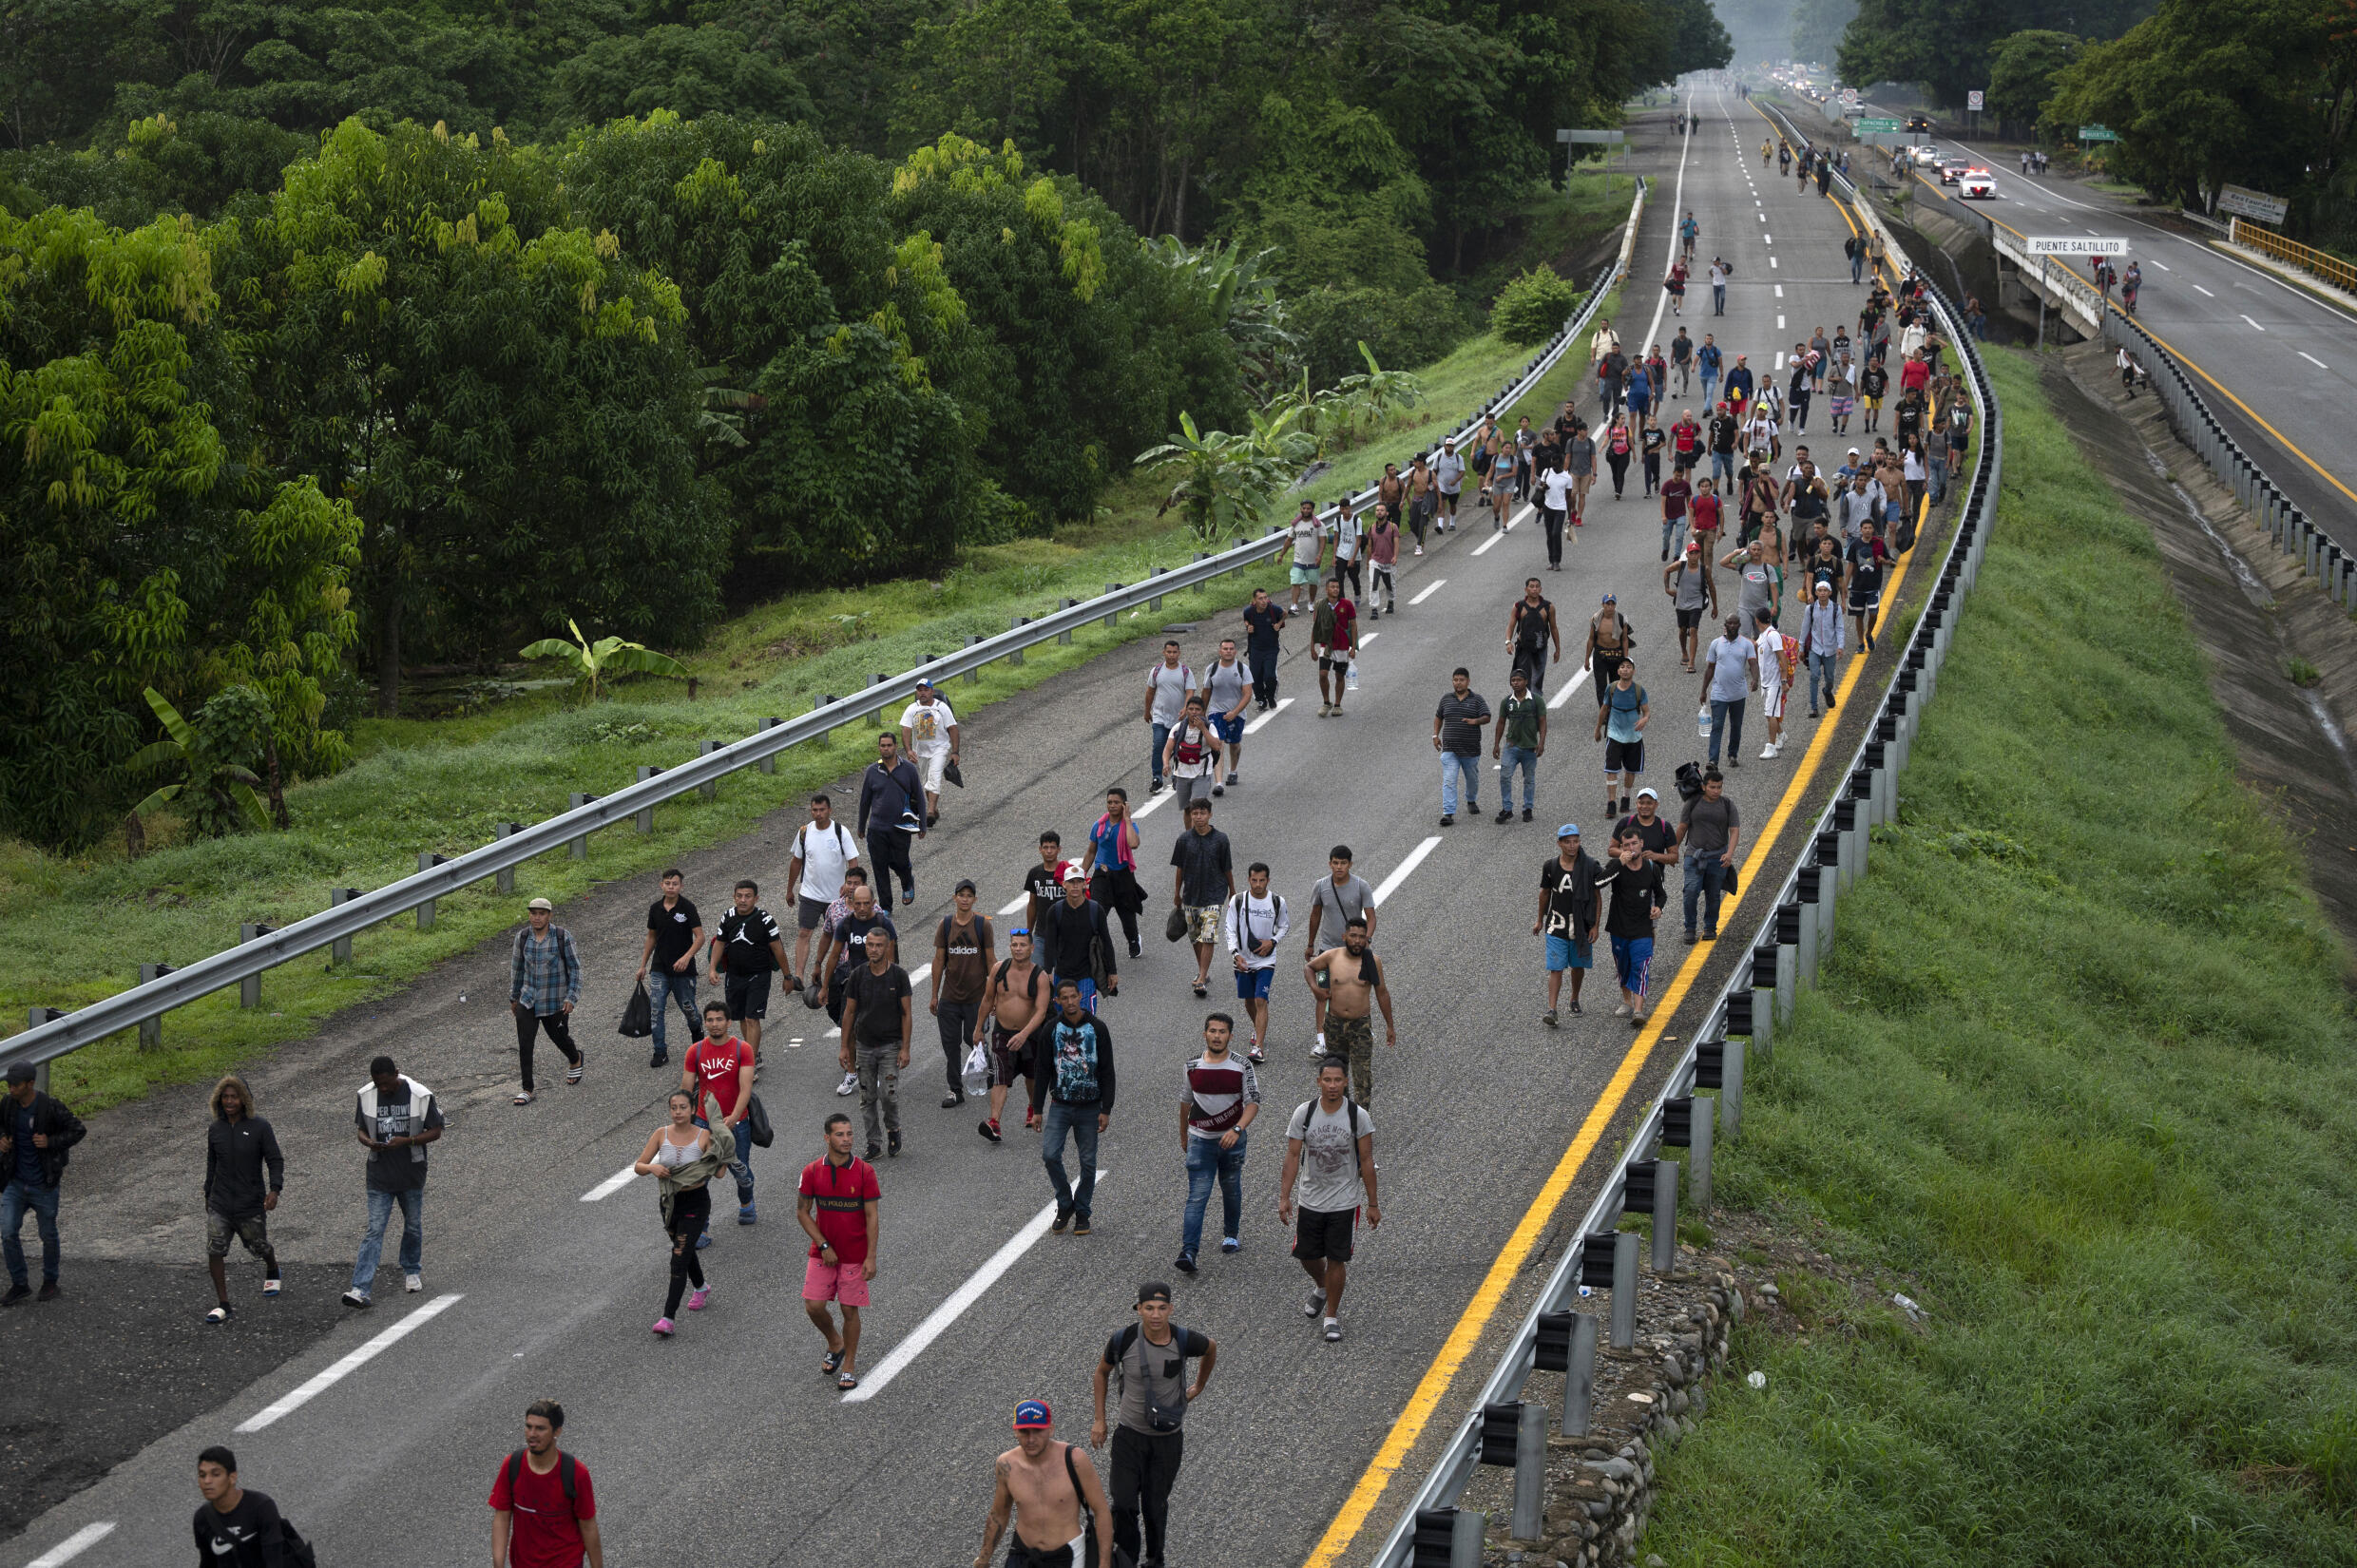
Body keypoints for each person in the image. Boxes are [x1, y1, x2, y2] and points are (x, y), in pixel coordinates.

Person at [1092, 1283, 1217, 1566]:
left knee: (1154, 1506)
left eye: (1162, 1308)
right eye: (1149, 1308)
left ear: (1171, 1309)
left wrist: (1199, 1386)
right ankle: (1126, 1559)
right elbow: (1101, 1374)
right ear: (1139, 1309)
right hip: (1129, 1437)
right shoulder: (1123, 1340)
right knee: (1123, 1504)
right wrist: (1100, 1419)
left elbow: (1211, 1348)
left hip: (1167, 1441)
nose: (1156, 1315)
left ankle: (1154, 1559)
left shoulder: (1184, 1339)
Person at [1279, 1060, 1379, 1344]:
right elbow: (1291, 1156)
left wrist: (1373, 1203)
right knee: (1307, 1255)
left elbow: (1367, 1160)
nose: (1333, 1086)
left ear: (1346, 1082)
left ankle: (1331, 1317)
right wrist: (1284, 1197)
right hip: (1310, 1199)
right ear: (1319, 1081)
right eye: (1327, 1080)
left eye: (1338, 1080)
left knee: (1337, 1258)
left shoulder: (1357, 1116)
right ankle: (1322, 1286)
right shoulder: (1305, 1113)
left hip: (1344, 1201)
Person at [343, 1055, 439, 1309]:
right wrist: (368, 1142)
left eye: (386, 1083)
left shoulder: (419, 1095)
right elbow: (361, 1130)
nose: (382, 1089)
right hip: (379, 1175)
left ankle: (411, 1270)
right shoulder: (366, 1095)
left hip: (410, 1174)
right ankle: (360, 1289)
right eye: (378, 1084)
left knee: (413, 1225)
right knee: (374, 1231)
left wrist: (407, 1141)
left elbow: (436, 1130)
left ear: (397, 1073)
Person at [976, 1400, 1116, 1568]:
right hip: (1023, 1554)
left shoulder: (1075, 1459)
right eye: (1024, 1432)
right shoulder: (1006, 1465)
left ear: (1050, 1429)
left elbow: (1101, 1511)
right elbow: (999, 1515)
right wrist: (983, 1559)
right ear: (1015, 1432)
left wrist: (1104, 1563)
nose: (1031, 1439)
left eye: (1037, 1431)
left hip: (1067, 1556)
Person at [798, 1112, 880, 1389]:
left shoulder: (865, 1171)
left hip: (855, 1255)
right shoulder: (811, 1171)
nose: (846, 1140)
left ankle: (849, 1366)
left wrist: (870, 1256)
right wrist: (823, 1245)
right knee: (813, 1306)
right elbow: (802, 1212)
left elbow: (872, 1216)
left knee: (849, 1309)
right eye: (840, 1135)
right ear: (827, 1138)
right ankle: (835, 1341)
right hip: (823, 1253)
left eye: (849, 1134)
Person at [1176, 1013, 1259, 1272]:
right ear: (1205, 1034)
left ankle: (1230, 1234)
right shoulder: (1192, 1066)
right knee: (1197, 1197)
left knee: (1231, 1187)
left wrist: (1237, 1129)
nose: (1217, 1036)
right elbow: (1185, 1103)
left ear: (1230, 1036)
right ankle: (1188, 1252)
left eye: (1222, 1032)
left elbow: (1253, 1102)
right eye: (1212, 1031)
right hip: (1200, 1141)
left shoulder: (1242, 1065)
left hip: (1232, 1141)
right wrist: (1183, 1136)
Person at [632, 1089, 717, 1335]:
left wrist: (723, 1153)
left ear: (692, 1110)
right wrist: (653, 1168)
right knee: (685, 1249)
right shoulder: (661, 1134)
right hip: (669, 1203)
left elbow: (718, 1172)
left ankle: (668, 1317)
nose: (678, 1112)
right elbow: (639, 1166)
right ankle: (701, 1287)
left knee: (678, 1256)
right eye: (674, 1107)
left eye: (683, 1107)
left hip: (696, 1203)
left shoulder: (704, 1136)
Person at [1036, 979, 1116, 1234]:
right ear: (1057, 1001)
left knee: (1088, 1163)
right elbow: (1042, 1070)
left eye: (1074, 997)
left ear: (1081, 996)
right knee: (1050, 1155)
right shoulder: (1050, 1029)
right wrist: (1037, 1108)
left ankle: (1082, 1211)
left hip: (1090, 1107)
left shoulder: (1097, 1028)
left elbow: (1107, 1070)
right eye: (1064, 998)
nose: (1070, 1002)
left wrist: (1106, 1108)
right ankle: (1065, 1203)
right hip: (1060, 1104)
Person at [202, 1075, 283, 1323]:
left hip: (250, 1203)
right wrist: (208, 1194)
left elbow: (274, 1159)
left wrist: (274, 1190)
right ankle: (224, 1304)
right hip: (221, 1202)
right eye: (225, 1097)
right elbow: (211, 1164)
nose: (229, 1102)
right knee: (215, 1249)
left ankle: (272, 1267)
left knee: (257, 1246)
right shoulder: (215, 1129)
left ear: (244, 1100)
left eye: (234, 1097)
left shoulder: (260, 1127)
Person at [0, 1061, 77, 1306]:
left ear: (30, 1084)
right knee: (8, 1232)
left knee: (48, 1234)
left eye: (16, 1085)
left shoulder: (49, 1106)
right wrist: (2, 1138)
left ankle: (50, 1282)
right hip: (15, 1183)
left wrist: (51, 1141)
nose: (11, 1088)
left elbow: (78, 1130)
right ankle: (20, 1284)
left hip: (44, 1185)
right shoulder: (8, 1104)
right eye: (9, 1084)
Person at [489, 1401, 601, 1568]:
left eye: (540, 1429)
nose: (532, 1434)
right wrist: (498, 1564)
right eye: (528, 1426)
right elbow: (502, 1517)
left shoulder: (576, 1473)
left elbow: (588, 1526)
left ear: (557, 1431)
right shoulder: (512, 1465)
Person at [838, 927, 913, 1160]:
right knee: (867, 1096)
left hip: (891, 1046)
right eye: (870, 945)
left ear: (888, 946)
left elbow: (906, 1013)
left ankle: (893, 1130)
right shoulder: (858, 975)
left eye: (879, 945)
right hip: (864, 1046)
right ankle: (873, 1142)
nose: (873, 949)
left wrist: (905, 1048)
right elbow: (849, 1013)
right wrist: (844, 1047)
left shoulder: (899, 976)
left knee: (888, 1095)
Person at [681, 1002, 757, 1223]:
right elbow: (686, 1091)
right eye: (710, 1020)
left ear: (729, 1022)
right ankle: (701, 1227)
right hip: (705, 1122)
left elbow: (746, 1089)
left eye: (719, 1019)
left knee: (741, 1172)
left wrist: (733, 1117)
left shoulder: (742, 1049)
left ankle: (747, 1204)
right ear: (705, 1023)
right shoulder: (695, 1052)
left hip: (738, 1123)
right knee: (700, 1177)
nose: (715, 1024)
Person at [1305, 920, 1394, 1107]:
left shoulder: (1372, 961)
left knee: (1363, 1076)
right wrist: (1315, 989)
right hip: (1334, 1024)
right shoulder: (1332, 957)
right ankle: (1341, 1115)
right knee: (1336, 1074)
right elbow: (1310, 968)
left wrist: (1390, 1026)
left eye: (1362, 937)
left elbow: (1382, 992)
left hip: (1360, 1026)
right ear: (1344, 937)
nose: (1357, 941)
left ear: (1366, 939)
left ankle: (1361, 1120)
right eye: (1353, 936)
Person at [707, 879, 789, 1069]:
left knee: (752, 1017)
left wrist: (788, 976)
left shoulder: (765, 920)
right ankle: (754, 1053)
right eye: (739, 896)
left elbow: (778, 948)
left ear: (756, 898)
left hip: (759, 975)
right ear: (734, 897)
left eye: (748, 896)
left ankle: (748, 1063)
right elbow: (719, 942)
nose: (743, 900)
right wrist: (712, 969)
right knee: (742, 1017)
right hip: (735, 976)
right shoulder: (727, 917)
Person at [980, 927, 1051, 1143]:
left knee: (1032, 1076)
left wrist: (1024, 1034)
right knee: (1001, 1077)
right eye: (1014, 945)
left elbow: (1041, 1010)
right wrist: (977, 1029)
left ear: (1032, 947)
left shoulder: (1041, 976)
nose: (1018, 949)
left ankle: (1033, 1107)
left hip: (1030, 1034)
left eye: (1022, 945)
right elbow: (987, 999)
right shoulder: (998, 970)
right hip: (1002, 1032)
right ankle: (994, 1123)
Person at [508, 897, 581, 1106]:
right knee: (525, 1043)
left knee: (559, 1036)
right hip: (528, 999)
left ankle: (575, 1058)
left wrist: (571, 997)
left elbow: (575, 969)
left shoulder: (562, 937)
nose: (536, 917)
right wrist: (514, 997)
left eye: (541, 913)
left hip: (555, 1000)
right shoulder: (522, 937)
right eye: (533, 913)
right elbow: (517, 969)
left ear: (549, 916)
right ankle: (527, 1088)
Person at [930, 880, 995, 1108]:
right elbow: (939, 961)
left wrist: (993, 996)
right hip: (949, 998)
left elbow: (991, 962)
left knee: (973, 1039)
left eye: (969, 895)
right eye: (961, 895)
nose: (965, 899)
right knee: (950, 1045)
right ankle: (955, 1090)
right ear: (954, 898)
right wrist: (934, 994)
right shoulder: (946, 925)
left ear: (974, 899)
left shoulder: (982, 925)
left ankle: (988, 1065)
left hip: (976, 998)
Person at [633, 869, 704, 1070]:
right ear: (661, 885)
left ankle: (698, 1041)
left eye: (674, 884)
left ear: (681, 886)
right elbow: (652, 937)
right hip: (659, 969)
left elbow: (700, 937)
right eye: (667, 883)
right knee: (656, 1010)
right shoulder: (655, 909)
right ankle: (660, 1051)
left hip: (684, 971)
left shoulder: (687, 908)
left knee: (689, 1009)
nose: (671, 887)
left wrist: (686, 957)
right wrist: (643, 965)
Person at [786, 794, 860, 987]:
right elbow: (796, 862)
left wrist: (850, 885)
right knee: (804, 933)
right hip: (810, 895)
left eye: (822, 810)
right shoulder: (804, 832)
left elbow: (853, 861)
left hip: (837, 897)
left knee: (840, 936)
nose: (818, 814)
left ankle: (842, 969)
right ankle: (799, 977)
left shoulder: (840, 832)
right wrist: (790, 889)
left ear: (830, 810)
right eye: (814, 810)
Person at [1597, 823, 1666, 1023]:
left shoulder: (1652, 868)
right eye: (1626, 845)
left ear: (1641, 843)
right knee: (1623, 966)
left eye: (1634, 843)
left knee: (1641, 966)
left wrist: (1658, 908)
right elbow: (1598, 883)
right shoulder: (1616, 866)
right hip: (1619, 928)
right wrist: (1619, 863)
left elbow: (1661, 894)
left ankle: (1638, 1010)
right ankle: (1626, 1001)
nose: (1630, 848)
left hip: (1643, 929)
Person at [1170, 797, 1236, 1000]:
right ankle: (1203, 971)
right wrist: (1177, 893)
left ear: (1210, 814)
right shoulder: (1183, 840)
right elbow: (1179, 868)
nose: (1199, 817)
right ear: (1190, 815)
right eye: (1195, 813)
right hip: (1191, 895)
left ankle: (1202, 977)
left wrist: (1232, 890)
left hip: (1215, 894)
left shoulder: (1221, 839)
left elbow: (1227, 867)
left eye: (1202, 813)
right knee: (1195, 938)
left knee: (1208, 936)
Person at [1535, 825, 1600, 1023]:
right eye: (1567, 842)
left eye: (1575, 841)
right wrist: (1539, 919)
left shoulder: (1590, 866)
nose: (1572, 846)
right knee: (1556, 967)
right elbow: (1545, 893)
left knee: (1578, 966)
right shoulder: (1551, 866)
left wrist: (1596, 926)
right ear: (1559, 844)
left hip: (1581, 926)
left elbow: (1597, 897)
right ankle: (1552, 1009)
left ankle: (1574, 998)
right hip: (1556, 925)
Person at [194, 1446, 298, 1567]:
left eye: (215, 1474)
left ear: (232, 1478)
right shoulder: (202, 1518)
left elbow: (274, 1560)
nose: (207, 1481)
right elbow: (208, 1562)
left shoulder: (261, 1507)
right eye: (202, 1475)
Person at [1227, 863, 1290, 1060]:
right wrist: (1235, 954)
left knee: (1260, 1000)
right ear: (1248, 879)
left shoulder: (1277, 902)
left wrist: (1272, 942)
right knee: (1249, 1001)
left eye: (1262, 880)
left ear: (1268, 880)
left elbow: (1284, 926)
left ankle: (1258, 1048)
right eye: (1254, 880)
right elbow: (1229, 929)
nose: (1258, 884)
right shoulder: (1238, 901)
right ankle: (1257, 1027)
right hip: (1243, 960)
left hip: (1266, 960)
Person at [857, 733, 925, 909]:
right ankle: (886, 906)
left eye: (888, 745)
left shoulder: (908, 769)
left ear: (895, 746)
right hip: (877, 829)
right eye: (882, 745)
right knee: (880, 868)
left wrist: (923, 824)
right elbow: (865, 801)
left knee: (900, 862)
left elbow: (919, 796)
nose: (885, 749)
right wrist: (861, 826)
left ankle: (907, 880)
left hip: (901, 827)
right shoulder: (872, 771)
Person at [1041, 862, 1119, 1013]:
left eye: (1078, 882)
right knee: (1063, 1019)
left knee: (1085, 1018)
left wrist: (1113, 972)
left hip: (1086, 976)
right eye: (1071, 882)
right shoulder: (1055, 911)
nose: (1075, 886)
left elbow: (1106, 942)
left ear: (1085, 884)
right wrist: (1048, 971)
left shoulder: (1095, 910)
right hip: (1062, 975)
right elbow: (1049, 944)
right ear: (1064, 884)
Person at [1679, 768, 1741, 942]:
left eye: (1719, 787)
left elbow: (1734, 830)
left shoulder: (1727, 805)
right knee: (1690, 891)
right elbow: (1682, 827)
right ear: (1704, 786)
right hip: (1694, 856)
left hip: (1718, 858)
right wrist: (1673, 851)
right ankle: (1690, 928)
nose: (1716, 791)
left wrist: (1729, 854)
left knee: (1713, 895)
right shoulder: (1692, 803)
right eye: (1713, 787)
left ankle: (1710, 928)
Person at [1083, 789, 1144, 962]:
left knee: (1127, 918)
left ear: (1124, 805)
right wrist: (1081, 875)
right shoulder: (1099, 825)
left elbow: (1133, 844)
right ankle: (1096, 947)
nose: (1112, 806)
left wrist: (1127, 819)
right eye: (1109, 802)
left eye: (1116, 802)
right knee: (1096, 912)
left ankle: (1134, 940)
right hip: (1101, 876)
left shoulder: (1130, 826)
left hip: (1123, 877)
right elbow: (1091, 851)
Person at [898, 679, 961, 828]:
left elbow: (953, 729)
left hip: (940, 748)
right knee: (926, 782)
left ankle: (930, 812)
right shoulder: (911, 709)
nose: (922, 693)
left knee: (935, 776)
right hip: (921, 752)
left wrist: (955, 752)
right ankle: (935, 808)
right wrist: (908, 750)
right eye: (920, 690)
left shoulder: (942, 708)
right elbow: (906, 730)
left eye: (926, 690)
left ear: (932, 691)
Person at [1433, 666, 1490, 826]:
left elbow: (1487, 716)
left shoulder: (1477, 699)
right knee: (1449, 780)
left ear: (1468, 681)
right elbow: (1439, 717)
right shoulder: (1446, 699)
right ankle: (1448, 813)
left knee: (1472, 779)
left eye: (1461, 680)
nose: (1458, 683)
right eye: (1455, 680)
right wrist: (1435, 735)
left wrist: (1475, 721)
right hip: (1450, 748)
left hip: (1470, 750)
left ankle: (1471, 800)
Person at [1699, 612, 1756, 770]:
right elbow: (1710, 668)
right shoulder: (1716, 644)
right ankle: (1713, 760)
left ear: (1739, 625)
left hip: (1738, 693)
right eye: (1729, 623)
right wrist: (1703, 690)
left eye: (1735, 623)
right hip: (1719, 694)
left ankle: (1733, 754)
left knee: (1736, 725)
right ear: (1725, 625)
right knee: (1717, 726)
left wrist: (1755, 679)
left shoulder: (1746, 644)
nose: (1732, 626)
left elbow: (1752, 663)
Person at [1594, 657, 1649, 817]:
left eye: (1628, 667)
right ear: (1618, 671)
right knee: (1611, 770)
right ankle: (1611, 803)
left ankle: (1626, 798)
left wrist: (1644, 720)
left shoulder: (1639, 690)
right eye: (1622, 667)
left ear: (1633, 671)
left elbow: (1647, 711)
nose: (1625, 669)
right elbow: (1604, 709)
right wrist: (1598, 728)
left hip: (1633, 736)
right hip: (1614, 734)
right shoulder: (1611, 689)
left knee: (1630, 770)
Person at [1493, 667, 1547, 824]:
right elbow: (1501, 723)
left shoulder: (1536, 701)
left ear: (1526, 682)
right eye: (1513, 681)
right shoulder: (1506, 702)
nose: (1515, 683)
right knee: (1504, 776)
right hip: (1511, 747)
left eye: (1518, 680)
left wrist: (1541, 742)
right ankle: (1507, 809)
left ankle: (1528, 808)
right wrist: (1496, 744)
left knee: (1529, 779)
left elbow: (1543, 722)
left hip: (1530, 747)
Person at [1160, 694, 1222, 817]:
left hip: (1201, 773)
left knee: (1196, 808)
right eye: (1191, 709)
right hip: (1182, 773)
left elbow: (1216, 746)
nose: (1194, 712)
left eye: (1198, 709)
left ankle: (1198, 834)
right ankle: (1190, 835)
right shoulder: (1178, 728)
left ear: (1203, 712)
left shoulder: (1210, 727)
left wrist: (1203, 729)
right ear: (1186, 710)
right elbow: (1168, 749)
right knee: (1188, 810)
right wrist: (1166, 764)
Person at [1201, 637, 1251, 791]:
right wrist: (1202, 715)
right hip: (1216, 712)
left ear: (1235, 651)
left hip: (1237, 714)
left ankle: (1233, 771)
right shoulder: (1212, 669)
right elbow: (1206, 692)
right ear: (1220, 651)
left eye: (1231, 649)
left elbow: (1247, 695)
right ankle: (1218, 783)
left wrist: (1235, 712)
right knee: (1218, 744)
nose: (1228, 651)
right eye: (1225, 649)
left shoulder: (1243, 669)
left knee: (1234, 744)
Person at [1664, 539, 1717, 674]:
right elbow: (1667, 570)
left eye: (1696, 553)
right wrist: (1667, 589)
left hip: (1696, 604)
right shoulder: (1680, 566)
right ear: (1687, 555)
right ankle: (1684, 653)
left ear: (1700, 555)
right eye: (1691, 553)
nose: (1694, 556)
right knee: (1682, 630)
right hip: (1681, 603)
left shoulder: (1704, 570)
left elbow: (1711, 587)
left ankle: (1692, 662)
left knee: (1693, 630)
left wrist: (1715, 607)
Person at [1311, 575, 1358, 718]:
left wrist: (1353, 647)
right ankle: (1326, 702)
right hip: (1326, 646)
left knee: (1339, 676)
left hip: (1342, 647)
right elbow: (1316, 627)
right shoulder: (1320, 605)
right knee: (1323, 675)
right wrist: (1312, 647)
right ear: (1326, 589)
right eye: (1332, 587)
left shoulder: (1347, 605)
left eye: (1337, 587)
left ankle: (1337, 704)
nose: (1335, 589)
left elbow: (1354, 626)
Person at [1800, 576, 1847, 716]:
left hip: (1830, 649)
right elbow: (1805, 628)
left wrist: (1840, 646)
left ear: (1830, 593)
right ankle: (1814, 707)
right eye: (1819, 590)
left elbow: (1839, 629)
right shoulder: (1810, 609)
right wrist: (1801, 648)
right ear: (1815, 593)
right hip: (1815, 648)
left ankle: (1827, 691)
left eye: (1825, 590)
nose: (1822, 593)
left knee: (1830, 678)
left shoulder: (1836, 610)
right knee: (1814, 676)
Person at [1753, 607, 1793, 759]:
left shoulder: (1772, 635)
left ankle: (1771, 748)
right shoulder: (1764, 635)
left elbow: (1782, 658)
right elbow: (1755, 645)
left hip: (1775, 683)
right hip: (1766, 683)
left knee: (1770, 714)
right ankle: (1781, 735)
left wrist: (1783, 681)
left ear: (1757, 620)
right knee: (1769, 714)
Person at [1507, 578, 1561, 694]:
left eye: (1537, 586)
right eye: (1531, 586)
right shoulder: (1518, 606)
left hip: (1541, 648)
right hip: (1523, 648)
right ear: (1526, 589)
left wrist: (1557, 649)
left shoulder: (1549, 607)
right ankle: (1523, 704)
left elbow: (1554, 628)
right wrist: (1508, 642)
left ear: (1540, 589)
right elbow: (1511, 625)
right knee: (1522, 677)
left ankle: (1536, 706)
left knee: (1537, 679)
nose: (1534, 589)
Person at [1581, 592, 1634, 705]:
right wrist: (1586, 660)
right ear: (1602, 604)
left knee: (1616, 685)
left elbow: (1624, 639)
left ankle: (1615, 709)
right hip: (1601, 655)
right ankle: (1604, 711)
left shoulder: (1621, 619)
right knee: (1601, 686)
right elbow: (1591, 639)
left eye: (1612, 604)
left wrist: (1625, 658)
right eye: (1607, 604)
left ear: (1615, 605)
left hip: (1616, 655)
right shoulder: (1596, 619)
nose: (1610, 607)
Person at [1848, 518, 1888, 653]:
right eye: (1865, 528)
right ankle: (1860, 643)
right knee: (1859, 616)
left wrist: (1884, 561)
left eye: (1870, 528)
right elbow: (1850, 565)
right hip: (1857, 587)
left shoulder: (1879, 544)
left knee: (1873, 614)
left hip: (1873, 586)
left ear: (1873, 529)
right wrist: (1845, 586)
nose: (1867, 530)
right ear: (1861, 530)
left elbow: (1890, 561)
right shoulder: (1855, 545)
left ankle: (1869, 634)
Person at [1241, 588, 1285, 711]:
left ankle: (1270, 697)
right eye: (1260, 598)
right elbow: (1245, 619)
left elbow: (1285, 613)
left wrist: (1279, 624)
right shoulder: (1249, 611)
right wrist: (1248, 627)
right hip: (1255, 649)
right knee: (1255, 676)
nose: (1264, 601)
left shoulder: (1274, 609)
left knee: (1269, 676)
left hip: (1271, 648)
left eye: (1265, 597)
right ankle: (1261, 700)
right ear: (1254, 600)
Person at [1285, 500, 1327, 612]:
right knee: (1295, 582)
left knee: (1313, 583)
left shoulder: (1318, 524)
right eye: (1304, 508)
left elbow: (1323, 541)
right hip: (1298, 559)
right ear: (1301, 509)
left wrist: (1320, 555)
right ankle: (1294, 605)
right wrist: (1281, 555)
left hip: (1313, 560)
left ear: (1312, 510)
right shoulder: (1295, 524)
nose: (1306, 510)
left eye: (1308, 508)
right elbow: (1289, 540)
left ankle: (1311, 602)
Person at [1367, 505, 1401, 618]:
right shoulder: (1371, 528)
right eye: (1377, 510)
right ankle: (1374, 609)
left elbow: (1396, 543)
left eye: (1382, 510)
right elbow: (1369, 546)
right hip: (1375, 561)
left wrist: (1395, 556)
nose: (1379, 512)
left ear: (1386, 513)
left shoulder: (1393, 527)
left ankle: (1391, 601)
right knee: (1374, 583)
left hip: (1389, 562)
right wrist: (1368, 561)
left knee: (1390, 584)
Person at [1331, 493, 1366, 600]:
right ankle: (1342, 601)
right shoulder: (1337, 520)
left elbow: (1359, 539)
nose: (1345, 511)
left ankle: (1357, 593)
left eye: (1346, 508)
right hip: (1341, 554)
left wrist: (1353, 557)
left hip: (1353, 554)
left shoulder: (1356, 520)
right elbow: (1336, 538)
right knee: (1339, 578)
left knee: (1354, 577)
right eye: (1342, 509)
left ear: (1350, 508)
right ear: (1340, 509)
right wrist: (1334, 556)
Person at [1697, 335, 1722, 408]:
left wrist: (1722, 374)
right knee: (1706, 394)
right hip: (1703, 375)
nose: (1709, 340)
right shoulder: (1701, 350)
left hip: (1713, 375)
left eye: (1710, 339)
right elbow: (1696, 358)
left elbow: (1720, 363)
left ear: (1713, 340)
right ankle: (1709, 408)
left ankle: (1705, 409)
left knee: (1709, 393)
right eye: (1707, 339)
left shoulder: (1716, 351)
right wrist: (1693, 366)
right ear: (1705, 340)